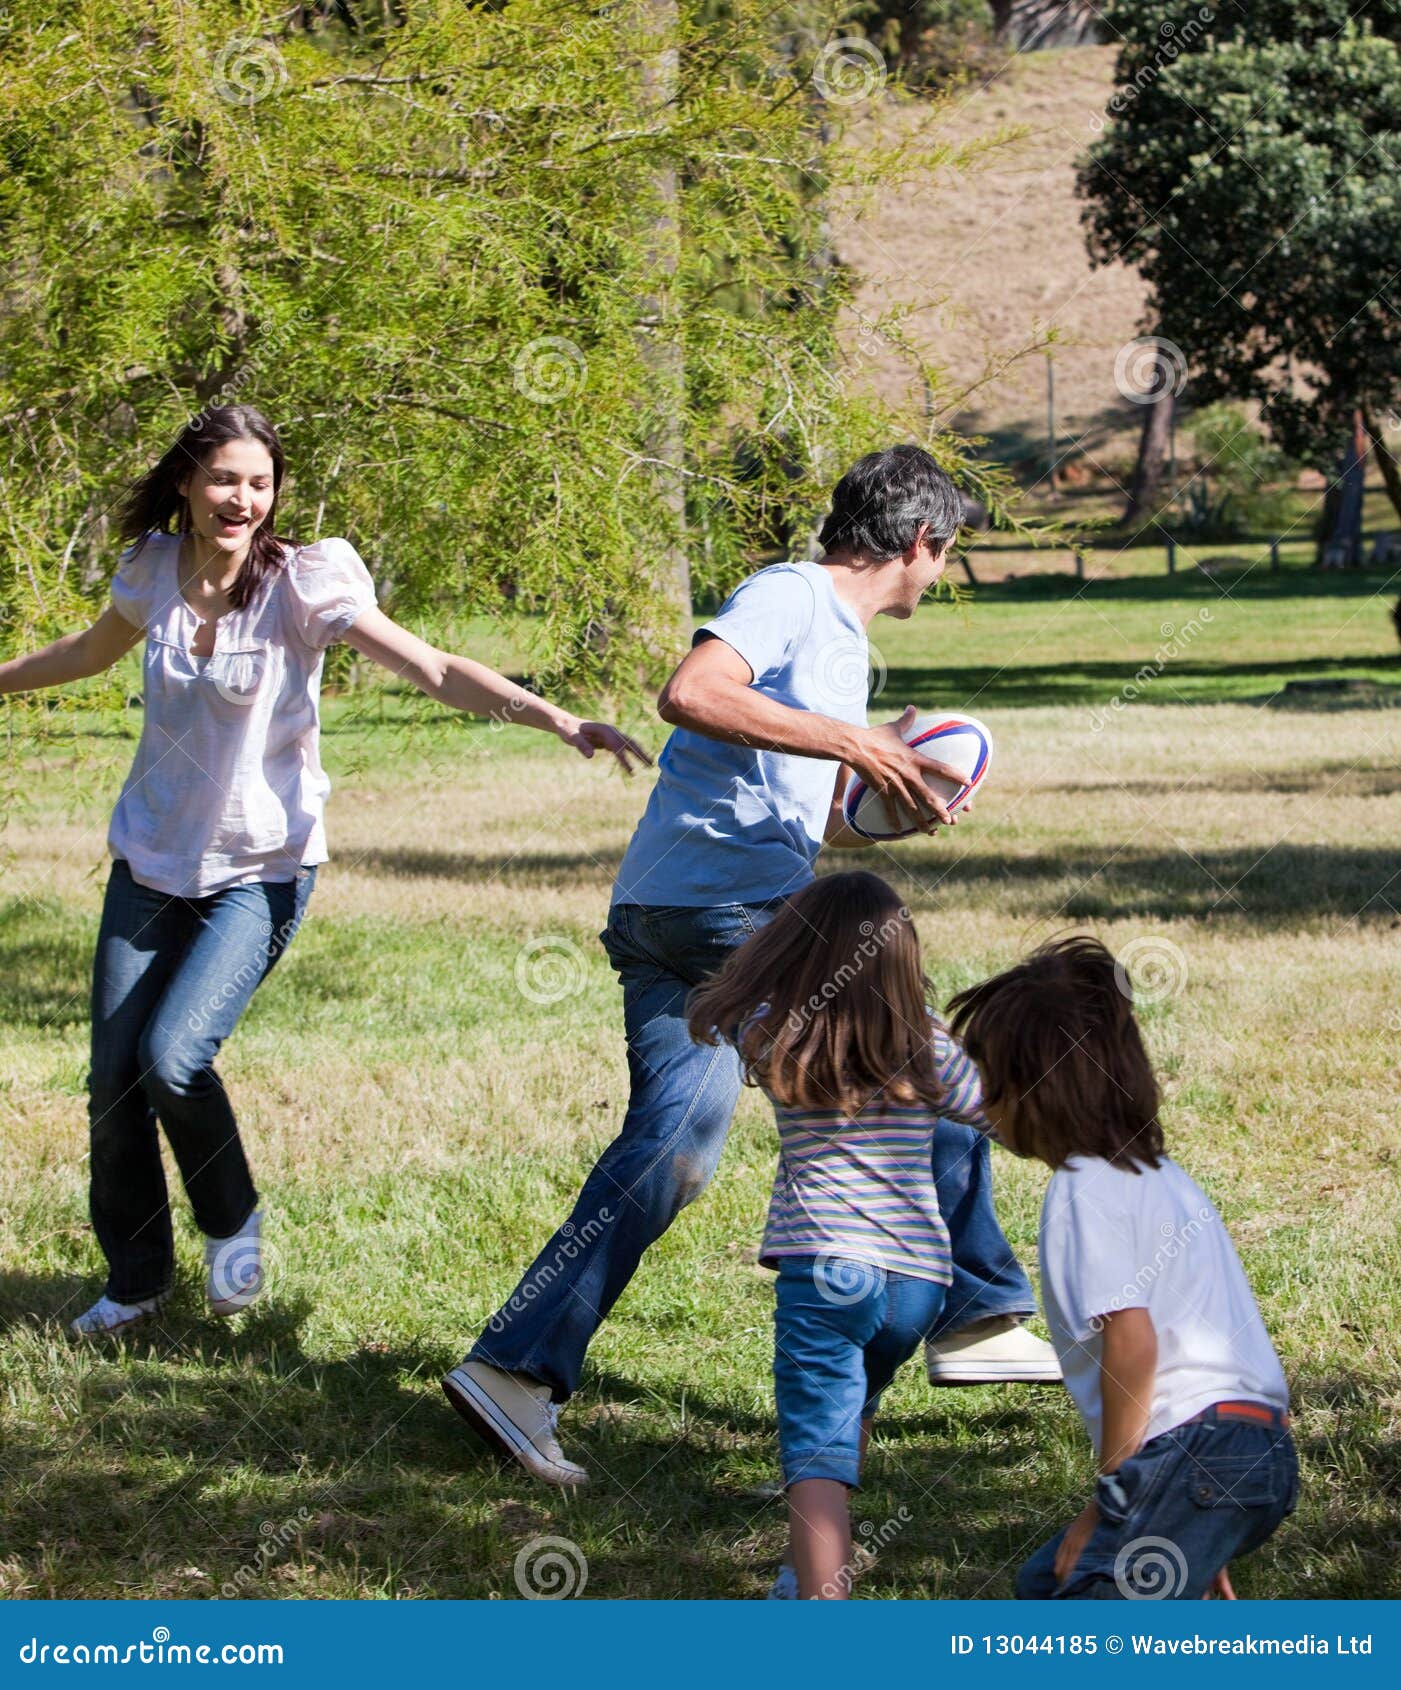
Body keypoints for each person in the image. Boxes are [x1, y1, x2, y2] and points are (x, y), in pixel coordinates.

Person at [444, 444, 1057, 1490]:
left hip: (673, 913)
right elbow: (691, 691)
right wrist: (857, 742)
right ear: (920, 544)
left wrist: (889, 806)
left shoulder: (839, 646)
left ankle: (512, 1369)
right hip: (728, 916)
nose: (938, 575)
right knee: (911, 1063)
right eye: (943, 557)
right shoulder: (791, 595)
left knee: (675, 1147)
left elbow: (798, 811)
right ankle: (979, 1311)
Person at [0, 404, 647, 1339]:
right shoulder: (151, 569)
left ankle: (235, 1228)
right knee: (112, 1081)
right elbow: (89, 651)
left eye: (259, 482)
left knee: (174, 1059)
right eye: (224, 478)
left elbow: (432, 667)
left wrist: (549, 716)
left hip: (259, 869)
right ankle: (137, 1283)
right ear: (186, 480)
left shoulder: (303, 582)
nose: (242, 498)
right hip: (150, 862)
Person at [949, 936, 1298, 1601]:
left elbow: (1132, 1344)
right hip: (1258, 1454)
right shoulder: (1161, 1177)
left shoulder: (1083, 1186)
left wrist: (1112, 1502)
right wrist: (1194, 1534)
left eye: (990, 1080)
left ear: (1032, 1089)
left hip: (1192, 1451)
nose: (982, 1101)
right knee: (1041, 1581)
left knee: (1080, 1597)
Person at [688, 869, 1002, 1600]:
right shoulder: (927, 1046)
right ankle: (802, 1575)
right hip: (919, 1283)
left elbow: (722, 1002)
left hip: (828, 1265)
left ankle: (821, 1616)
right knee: (851, 1404)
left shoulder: (770, 1030)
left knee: (815, 1453)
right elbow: (1002, 1117)